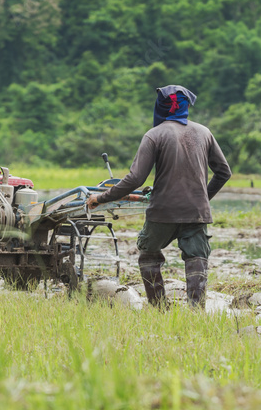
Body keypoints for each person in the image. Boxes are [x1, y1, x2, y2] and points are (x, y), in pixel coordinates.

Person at [86, 85, 231, 309]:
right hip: (196, 212)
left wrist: (101, 198)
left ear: (162, 106)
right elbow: (224, 172)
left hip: (163, 211)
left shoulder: (154, 135)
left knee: (149, 254)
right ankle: (196, 311)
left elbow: (135, 179)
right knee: (197, 259)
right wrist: (203, 198)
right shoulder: (204, 132)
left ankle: (159, 309)